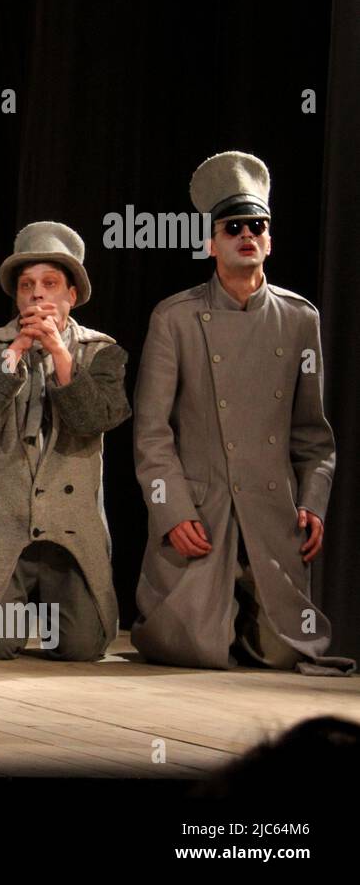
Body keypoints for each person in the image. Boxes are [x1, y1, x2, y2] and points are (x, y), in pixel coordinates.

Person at [132, 151, 352, 675]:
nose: (247, 235)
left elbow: (312, 435)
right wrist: (172, 510)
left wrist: (313, 504)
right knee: (191, 646)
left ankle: (255, 604)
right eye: (234, 227)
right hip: (202, 512)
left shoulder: (300, 320)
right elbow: (151, 433)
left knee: (285, 653)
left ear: (270, 241)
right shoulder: (175, 318)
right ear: (211, 243)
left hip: (271, 512)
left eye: (258, 226)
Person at [0, 222, 130, 662]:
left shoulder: (101, 352)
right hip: (2, 522)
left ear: (71, 294)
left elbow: (98, 418)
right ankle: (12, 604)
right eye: (27, 285)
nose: (36, 294)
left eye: (50, 284)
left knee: (82, 647)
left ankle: (52, 607)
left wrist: (59, 354)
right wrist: (15, 352)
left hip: (69, 527)